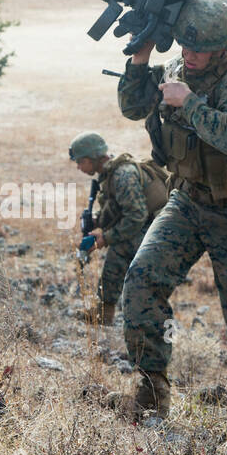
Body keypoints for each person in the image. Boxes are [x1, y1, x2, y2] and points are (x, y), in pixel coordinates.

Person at [116, 0, 227, 421]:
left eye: (199, 48)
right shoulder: (178, 68)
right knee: (140, 280)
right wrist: (140, 59)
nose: (189, 55)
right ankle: (152, 387)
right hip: (188, 201)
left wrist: (188, 103)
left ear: (224, 46)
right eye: (184, 45)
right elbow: (133, 106)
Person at [69, 132, 162, 325]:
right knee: (118, 249)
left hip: (158, 231)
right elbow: (119, 210)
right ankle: (104, 311)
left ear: (90, 159)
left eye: (80, 162)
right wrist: (97, 223)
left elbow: (136, 217)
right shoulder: (109, 175)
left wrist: (106, 238)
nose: (78, 167)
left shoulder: (123, 175)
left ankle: (108, 313)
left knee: (120, 250)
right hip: (146, 227)